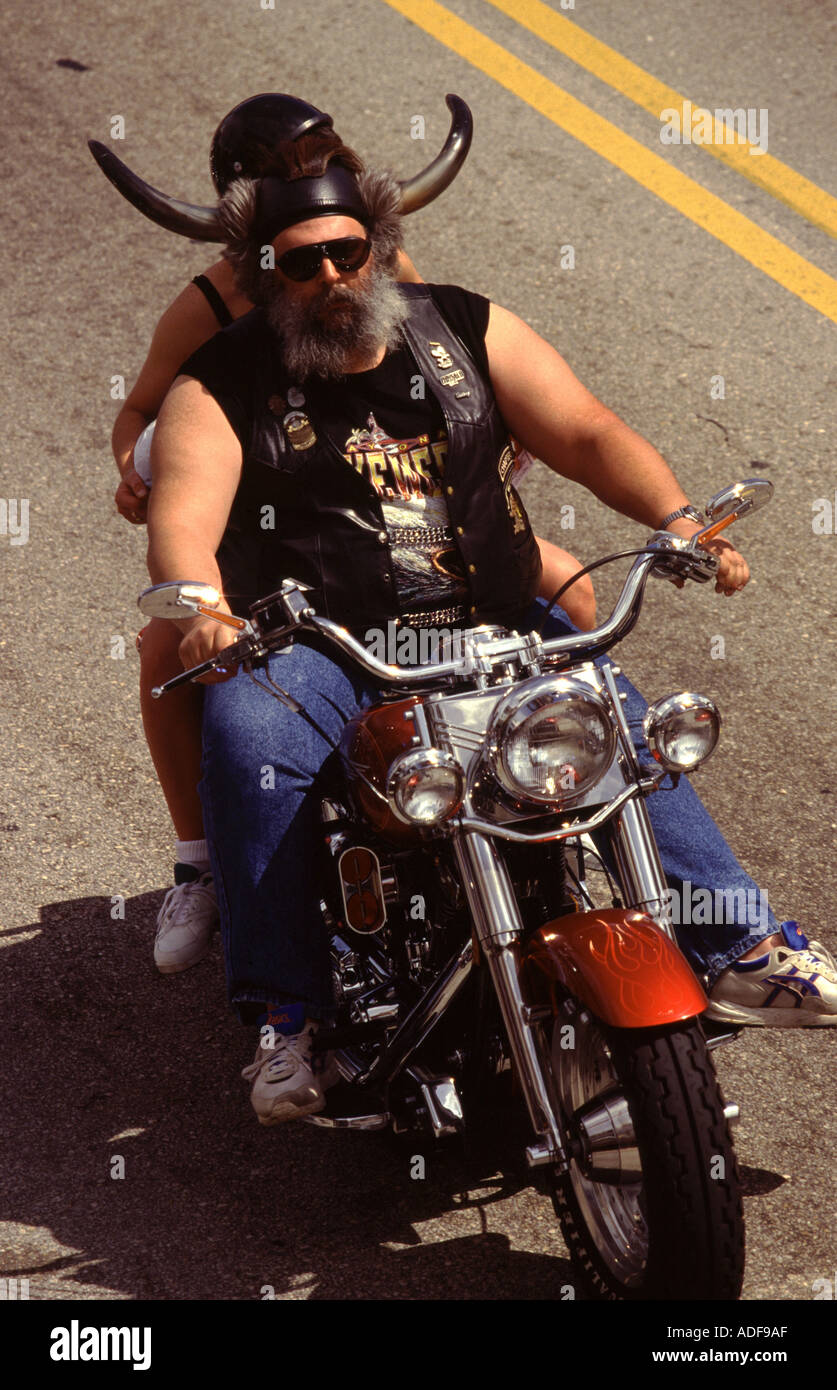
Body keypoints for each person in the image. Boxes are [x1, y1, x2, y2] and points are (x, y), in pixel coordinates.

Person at [101, 94, 596, 975]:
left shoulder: (380, 264)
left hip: (396, 513)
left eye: (324, 161)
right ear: (246, 216)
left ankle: (553, 794)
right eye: (284, 179)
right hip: (268, 533)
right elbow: (141, 408)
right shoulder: (207, 310)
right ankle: (203, 863)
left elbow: (438, 372)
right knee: (165, 647)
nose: (330, 265)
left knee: (568, 586)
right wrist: (137, 471)